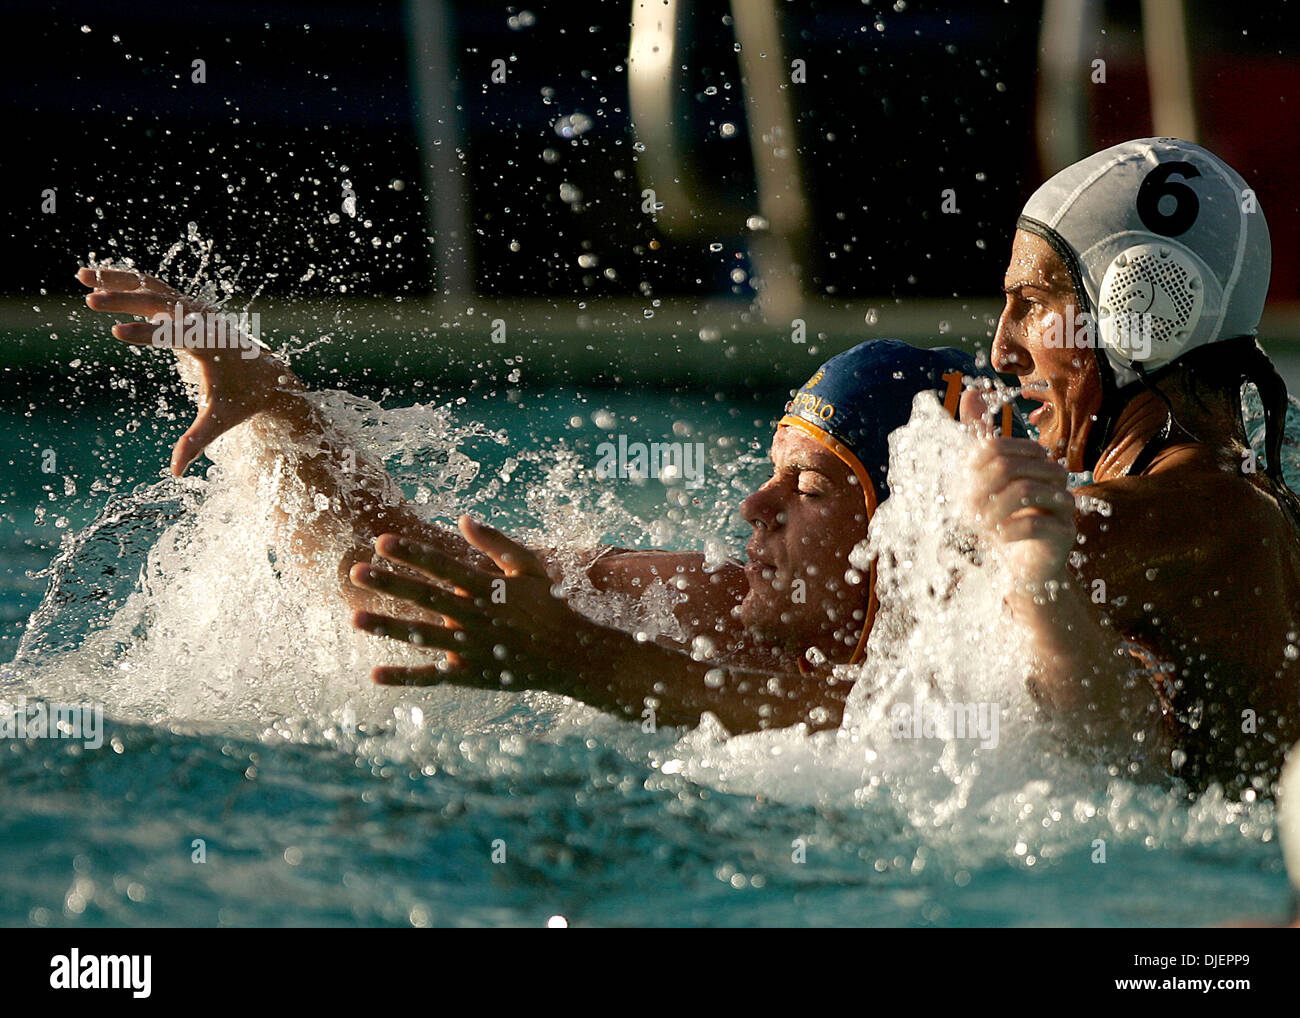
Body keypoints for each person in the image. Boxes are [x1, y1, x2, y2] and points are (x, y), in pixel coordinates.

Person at [74, 264, 1017, 734]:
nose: (753, 507)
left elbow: (839, 726)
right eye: (771, 470)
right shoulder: (707, 602)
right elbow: (399, 573)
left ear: (906, 527)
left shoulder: (980, 679)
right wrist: (279, 411)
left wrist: (572, 658)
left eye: (809, 487)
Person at [959, 138, 1300, 792]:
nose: (1002, 349)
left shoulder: (1202, 516)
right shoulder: (1248, 502)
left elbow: (913, 627)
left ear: (1139, 313)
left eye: (1030, 303)